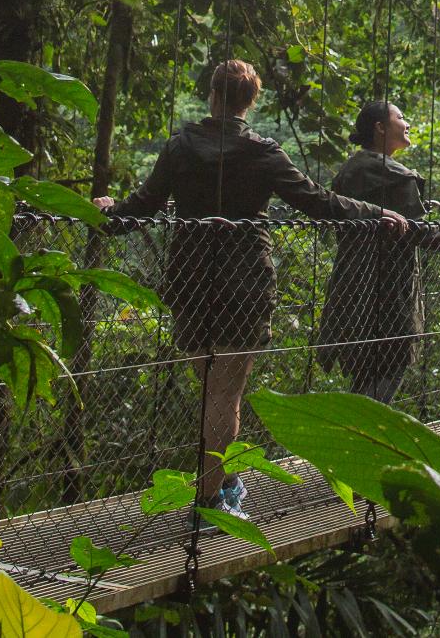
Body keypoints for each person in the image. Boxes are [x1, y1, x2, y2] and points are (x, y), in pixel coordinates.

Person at [95, 60, 408, 521]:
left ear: (212, 95)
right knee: (225, 397)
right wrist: (373, 213)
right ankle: (209, 500)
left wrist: (105, 212)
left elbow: (141, 207)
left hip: (190, 278)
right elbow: (318, 203)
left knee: (211, 393)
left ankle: (222, 482)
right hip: (244, 282)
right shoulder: (263, 153)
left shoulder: (180, 148)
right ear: (251, 100)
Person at [317, 101, 440, 402]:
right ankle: (365, 440)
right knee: (385, 374)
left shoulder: (349, 170)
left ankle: (354, 437)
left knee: (363, 376)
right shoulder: (395, 176)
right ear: (380, 127)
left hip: (350, 283)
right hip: (390, 289)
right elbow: (424, 235)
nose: (407, 122)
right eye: (400, 117)